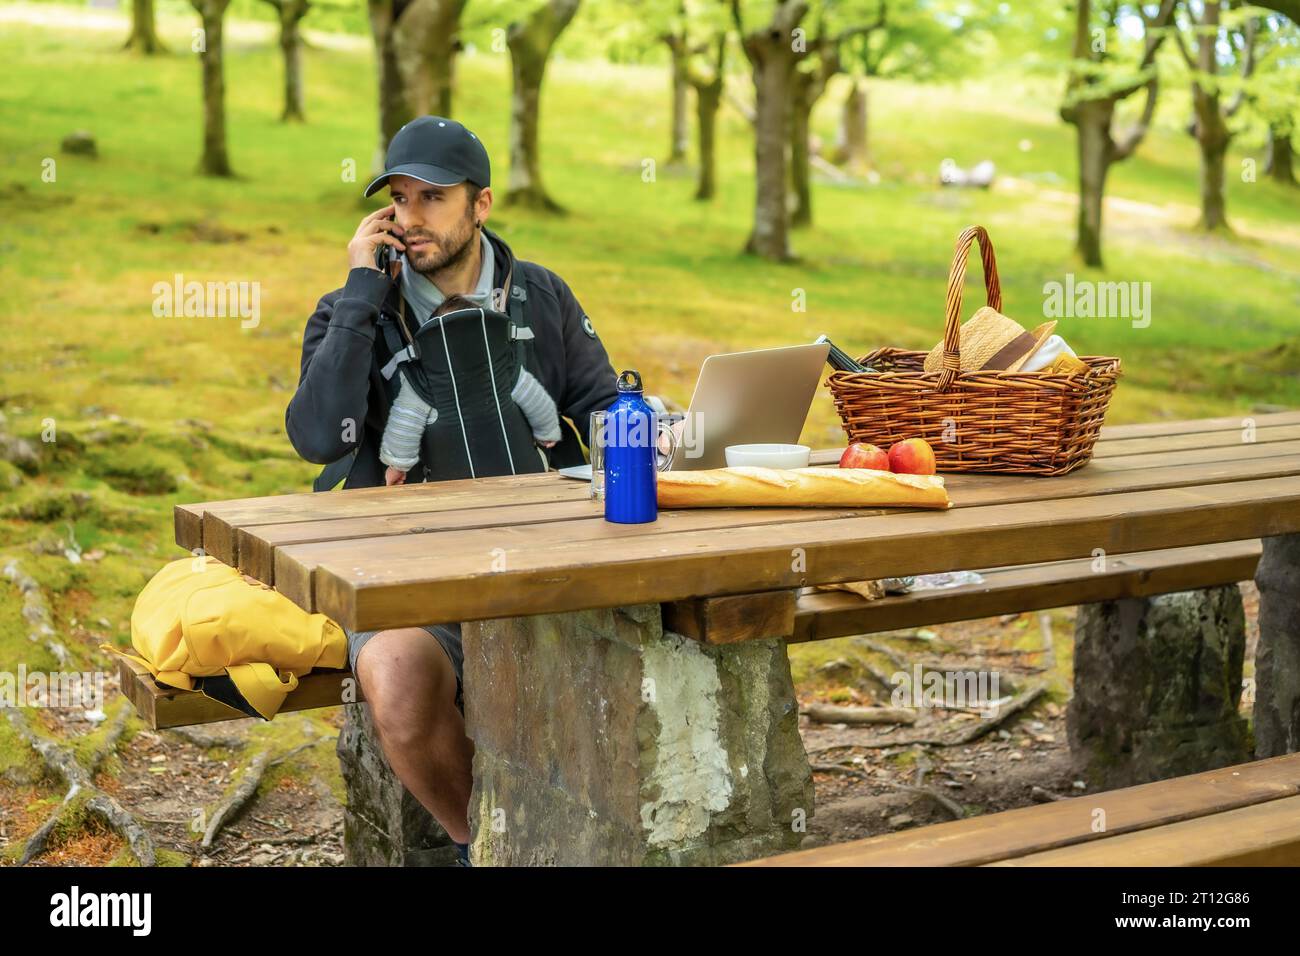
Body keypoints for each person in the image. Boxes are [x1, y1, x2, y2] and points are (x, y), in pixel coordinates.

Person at [284, 116, 619, 866]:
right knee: (397, 675)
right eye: (399, 199)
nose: (411, 218)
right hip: (409, 575)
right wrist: (362, 292)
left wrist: (659, 428)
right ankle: (490, 849)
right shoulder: (355, 309)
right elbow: (317, 438)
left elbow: (601, 407)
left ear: (482, 204)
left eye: (433, 197)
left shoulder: (542, 294)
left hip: (547, 561)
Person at [378, 293, 563, 486]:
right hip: (521, 479)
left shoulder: (425, 386)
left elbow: (404, 425)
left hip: (452, 491)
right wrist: (547, 433)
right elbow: (539, 403)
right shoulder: (507, 374)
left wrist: (396, 467)